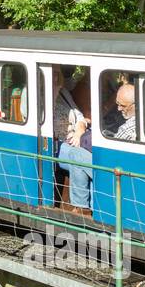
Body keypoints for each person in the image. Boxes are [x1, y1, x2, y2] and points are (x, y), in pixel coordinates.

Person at [53, 65, 92, 215]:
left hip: (76, 137)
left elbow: (80, 116)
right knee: (78, 155)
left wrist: (79, 130)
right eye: (52, 74)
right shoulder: (34, 94)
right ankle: (82, 207)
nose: (55, 77)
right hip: (55, 143)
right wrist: (53, 91)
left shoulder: (64, 93)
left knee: (85, 152)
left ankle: (89, 204)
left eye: (57, 73)